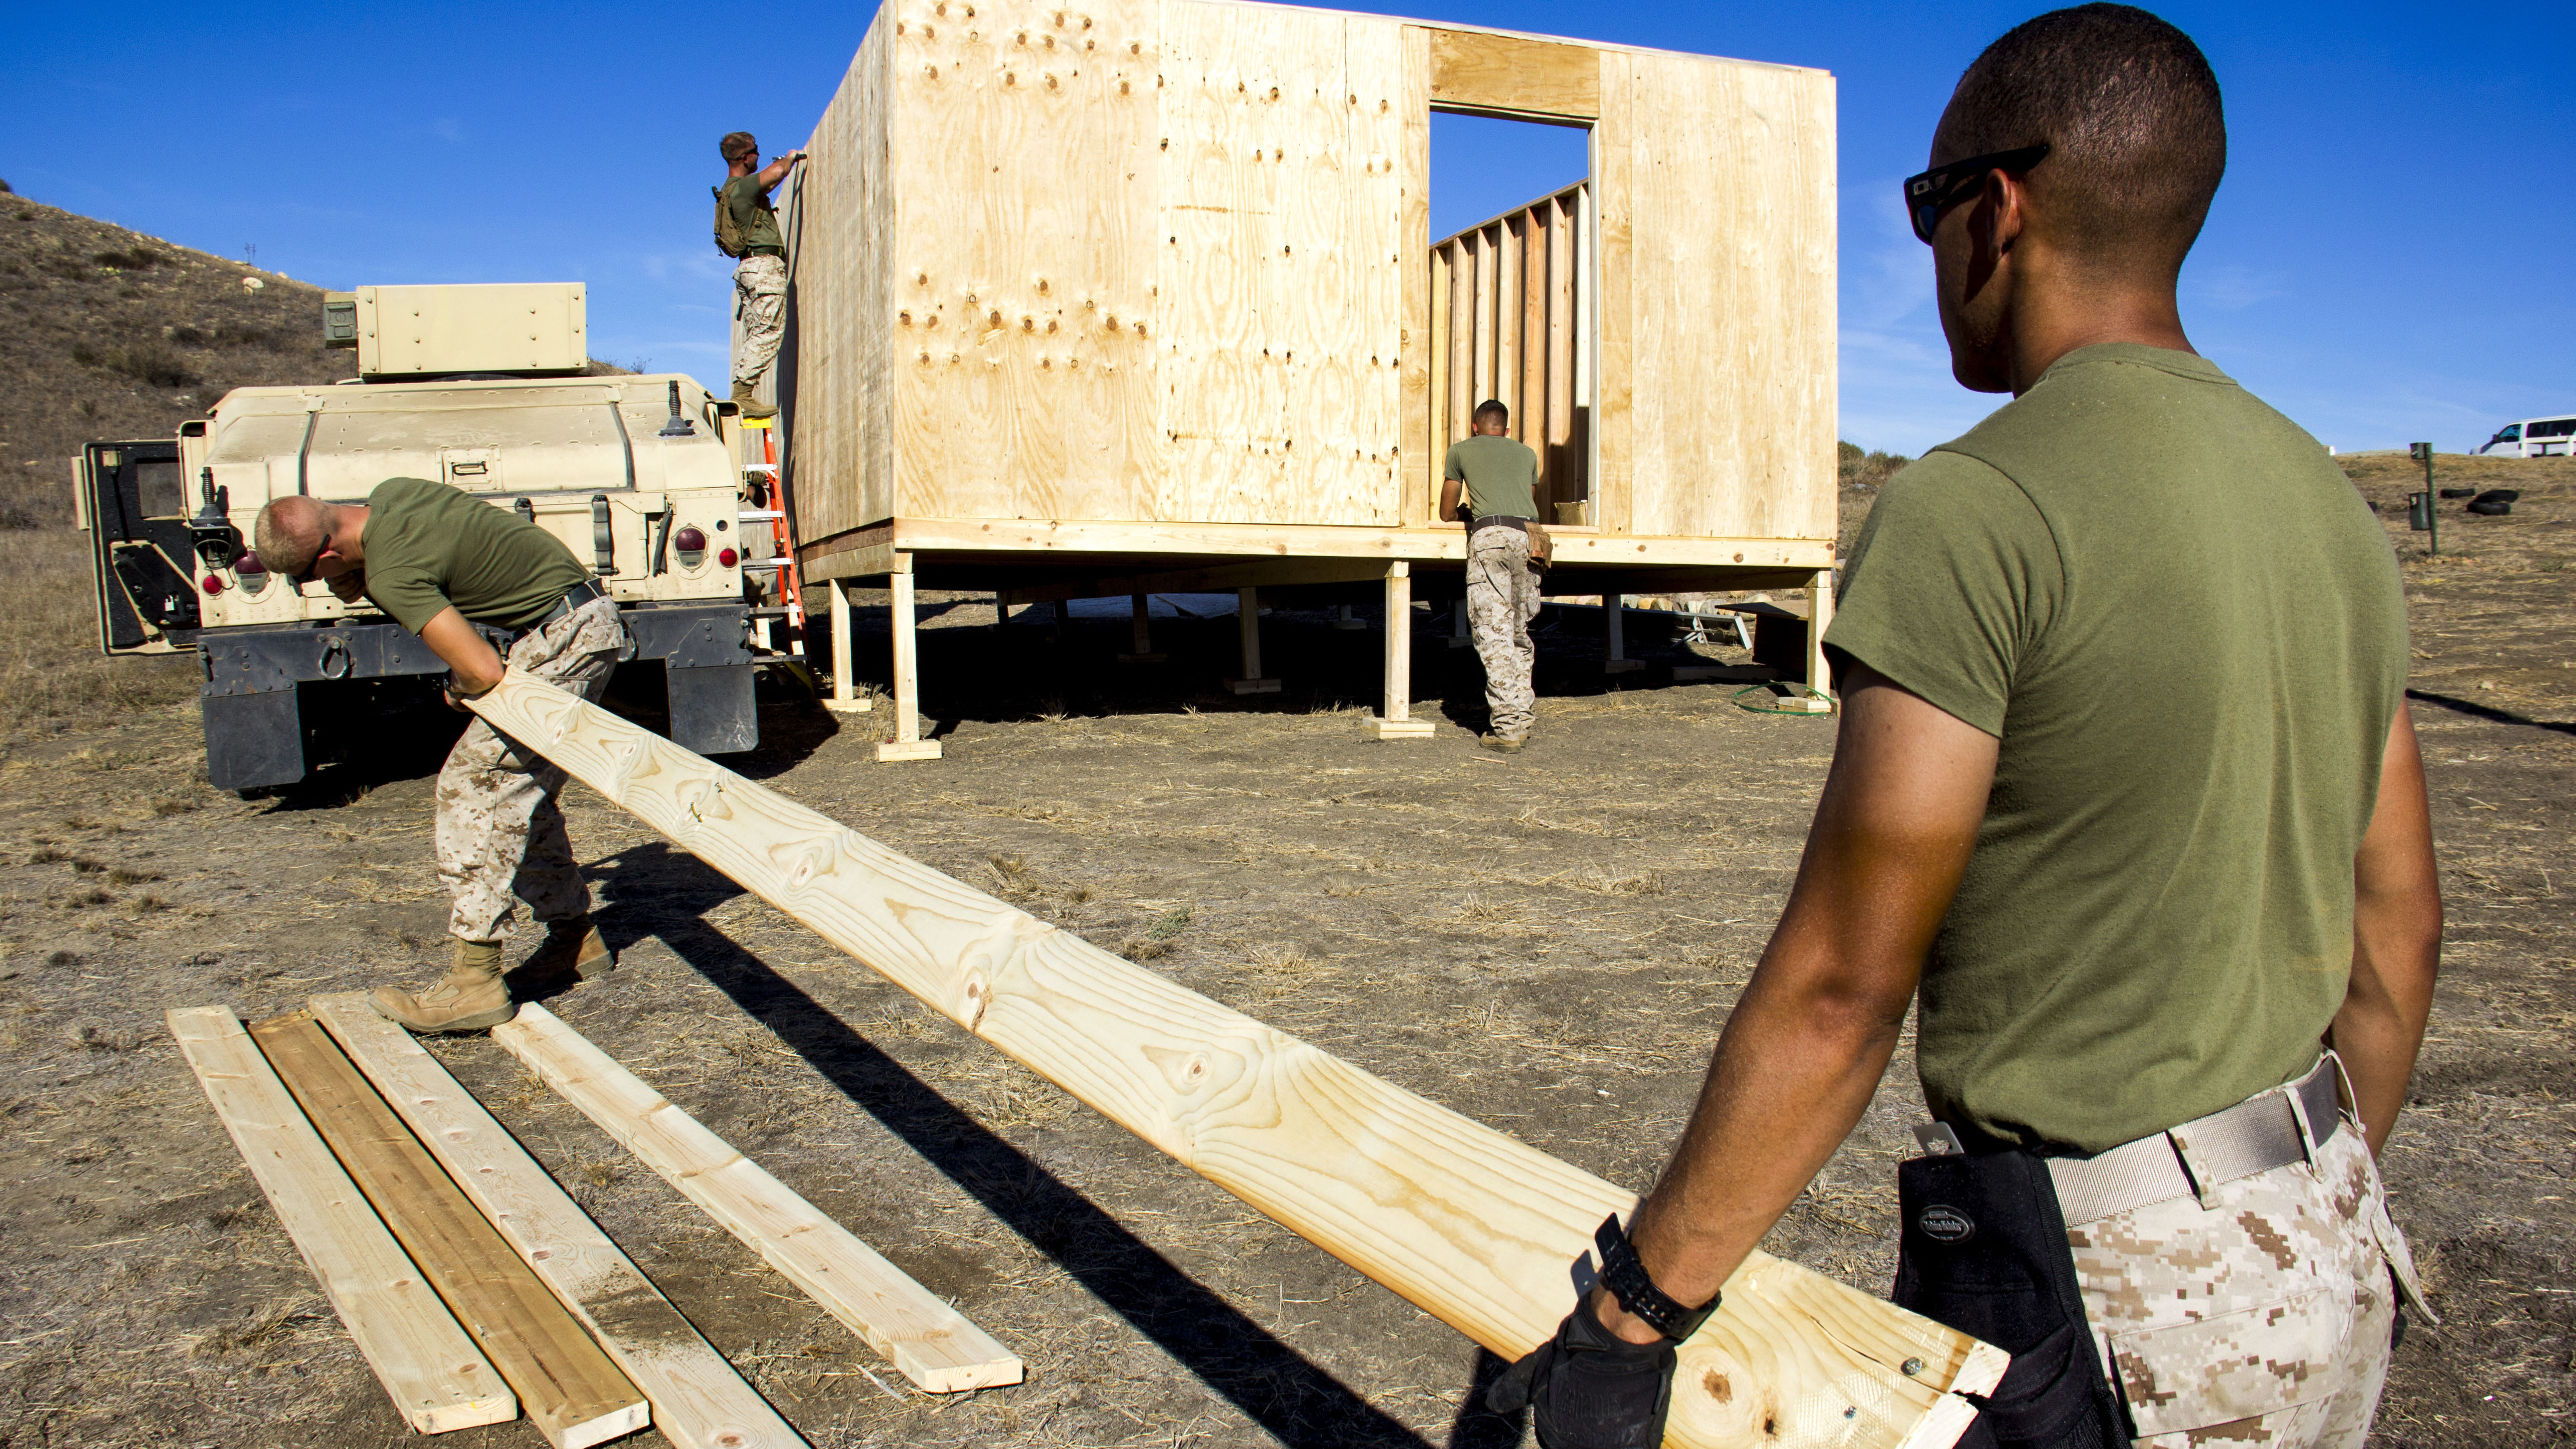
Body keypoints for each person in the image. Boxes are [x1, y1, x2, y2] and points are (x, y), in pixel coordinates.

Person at [1489, 7, 2439, 1448]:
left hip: (2114, 1294)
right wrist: (2288, 1205)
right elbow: (2396, 931)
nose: (1929, 252)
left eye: (1925, 207)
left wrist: (1631, 1313)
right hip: (2324, 1238)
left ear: (1994, 212)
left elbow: (1840, 990)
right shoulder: (2327, 509)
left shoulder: (1973, 506)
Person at [252, 480, 632, 1034]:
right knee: (516, 792)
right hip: (574, 620)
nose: (321, 585)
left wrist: (456, 688)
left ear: (328, 556)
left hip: (564, 637)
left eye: (310, 575)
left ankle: (475, 981)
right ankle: (575, 937)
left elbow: (481, 670)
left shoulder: (391, 572)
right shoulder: (395, 494)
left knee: (475, 784)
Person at [1441, 400, 1546, 752]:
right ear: (1507, 429)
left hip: (1491, 539)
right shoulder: (1527, 454)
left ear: (1475, 427)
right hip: (1530, 540)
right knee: (1519, 633)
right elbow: (1528, 502)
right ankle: (1522, 718)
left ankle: (1506, 728)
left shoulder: (1460, 451)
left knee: (1493, 633)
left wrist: (1463, 514)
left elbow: (1446, 511)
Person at [717, 131, 806, 419]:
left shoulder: (732, 191)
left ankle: (743, 393)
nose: (759, 154)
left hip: (749, 269)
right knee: (768, 331)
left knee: (757, 333)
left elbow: (770, 181)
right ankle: (743, 395)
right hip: (764, 267)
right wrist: (790, 158)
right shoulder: (742, 188)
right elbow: (777, 172)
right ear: (745, 158)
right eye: (756, 150)